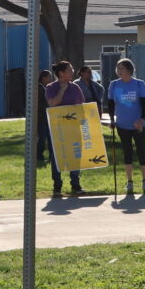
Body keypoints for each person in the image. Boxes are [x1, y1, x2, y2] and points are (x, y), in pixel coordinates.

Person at [107, 58, 145, 196]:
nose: (119, 71)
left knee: (141, 151)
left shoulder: (139, 84)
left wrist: (141, 119)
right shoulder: (113, 85)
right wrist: (112, 120)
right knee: (127, 153)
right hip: (122, 124)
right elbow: (110, 104)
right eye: (118, 68)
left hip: (137, 124)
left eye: (122, 68)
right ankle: (130, 182)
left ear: (129, 70)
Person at [45, 60, 88, 196]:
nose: (72, 72)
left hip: (74, 129)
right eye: (69, 70)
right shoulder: (51, 87)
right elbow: (52, 103)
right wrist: (62, 89)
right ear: (61, 73)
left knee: (75, 155)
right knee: (57, 156)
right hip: (57, 129)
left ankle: (75, 184)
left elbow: (82, 107)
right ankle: (57, 186)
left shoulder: (76, 88)